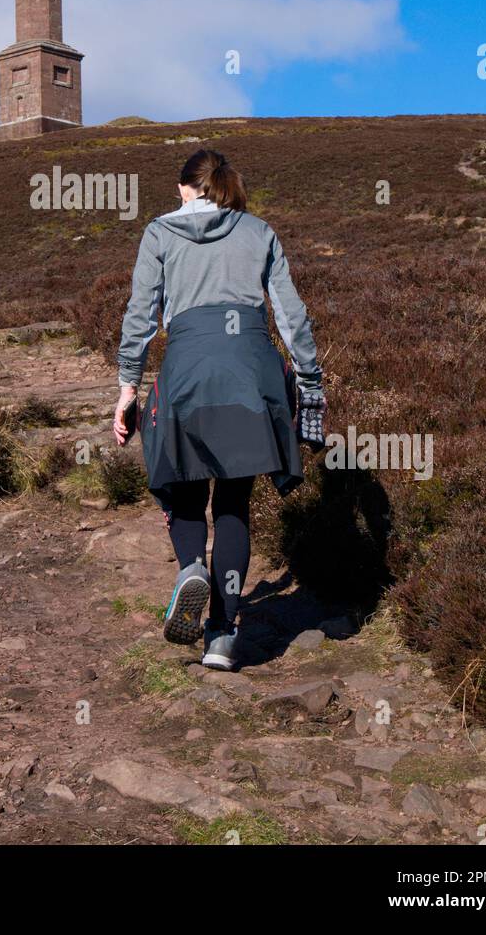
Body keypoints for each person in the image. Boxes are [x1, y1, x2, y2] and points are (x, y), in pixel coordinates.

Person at [113, 149, 325, 670]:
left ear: (187, 188)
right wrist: (311, 381)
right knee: (233, 502)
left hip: (187, 366)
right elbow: (291, 314)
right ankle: (223, 637)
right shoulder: (259, 232)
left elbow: (141, 315)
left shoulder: (159, 234)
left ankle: (191, 568)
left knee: (185, 488)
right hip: (251, 372)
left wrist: (127, 389)